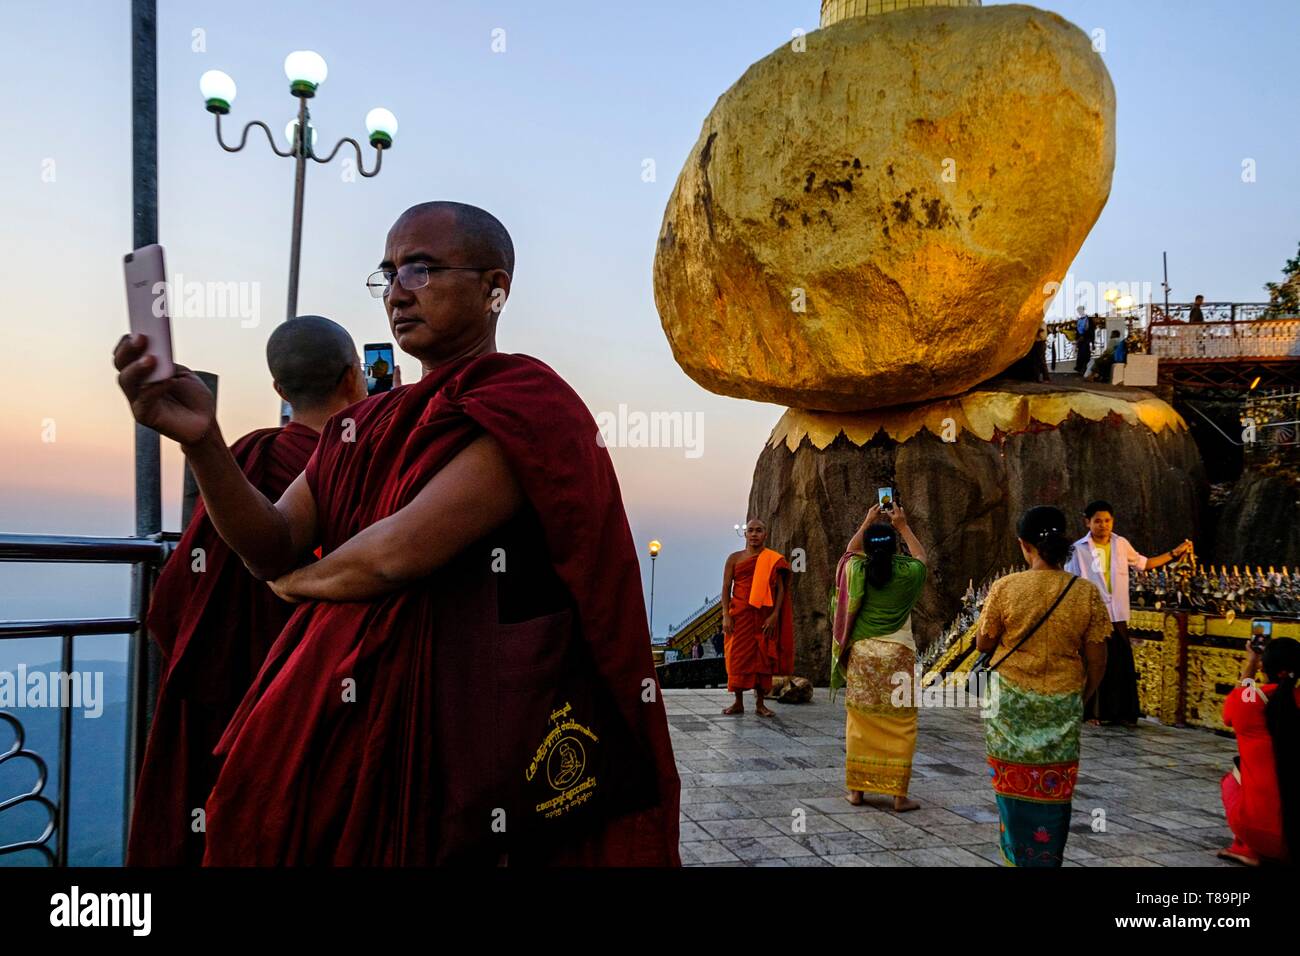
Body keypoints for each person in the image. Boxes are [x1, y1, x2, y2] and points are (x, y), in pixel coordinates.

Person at [113, 201, 680, 866]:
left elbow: (395, 556)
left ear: (495, 287)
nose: (397, 292)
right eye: (388, 273)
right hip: (348, 717)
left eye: (422, 269)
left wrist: (295, 584)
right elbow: (272, 538)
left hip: (465, 726)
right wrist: (203, 442)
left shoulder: (524, 399)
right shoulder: (369, 424)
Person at [126, 315, 367, 866]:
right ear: (356, 379)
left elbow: (173, 605)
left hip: (229, 691)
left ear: (280, 390)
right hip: (327, 692)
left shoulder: (247, 458)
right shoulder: (363, 462)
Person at [976, 506, 1112, 866]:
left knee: (1011, 791)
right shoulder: (1085, 593)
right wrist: (1082, 696)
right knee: (1055, 792)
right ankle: (1046, 858)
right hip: (1062, 704)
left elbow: (983, 644)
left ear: (1025, 545)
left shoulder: (1006, 588)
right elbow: (1097, 658)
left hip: (1009, 707)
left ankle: (1015, 858)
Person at [830, 503, 927, 812]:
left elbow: (849, 551)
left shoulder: (857, 570)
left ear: (869, 549)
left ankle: (858, 791)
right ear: (896, 546)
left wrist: (867, 520)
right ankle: (899, 796)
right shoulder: (909, 572)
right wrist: (903, 526)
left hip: (864, 654)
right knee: (900, 722)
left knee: (861, 719)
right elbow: (922, 557)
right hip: (899, 653)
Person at [1064, 500, 1192, 725]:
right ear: (1087, 522)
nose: (1103, 525)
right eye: (1097, 521)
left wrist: (1174, 553)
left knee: (1121, 664)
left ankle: (1124, 713)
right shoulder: (1077, 550)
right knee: (1096, 664)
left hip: (1118, 614)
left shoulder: (1121, 544)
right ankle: (1093, 713)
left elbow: (1145, 564)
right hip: (1093, 615)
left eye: (1107, 520)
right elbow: (1069, 581)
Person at [1218, 637, 1299, 866]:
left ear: (1264, 667)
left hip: (1265, 837)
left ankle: (1246, 848)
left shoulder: (1249, 702)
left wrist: (1251, 660)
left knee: (1233, 779)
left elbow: (1236, 703)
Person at [720, 519, 794, 717]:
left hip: (764, 616)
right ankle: (738, 702)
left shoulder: (773, 559)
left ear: (765, 534)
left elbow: (780, 590)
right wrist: (726, 615)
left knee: (763, 659)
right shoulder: (734, 559)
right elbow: (726, 588)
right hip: (740, 616)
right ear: (745, 535)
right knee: (737, 658)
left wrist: (775, 615)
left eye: (758, 531)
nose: (754, 534)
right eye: (751, 531)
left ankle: (761, 703)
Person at [1073, 307, 1094, 374]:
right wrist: (1077, 339)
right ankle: (1080, 368)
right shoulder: (1079, 320)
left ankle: (1084, 368)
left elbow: (1091, 331)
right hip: (1080, 339)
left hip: (1086, 339)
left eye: (1080, 310)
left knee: (1085, 354)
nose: (1079, 312)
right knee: (1080, 354)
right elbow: (1077, 330)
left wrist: (1092, 341)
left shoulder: (1088, 319)